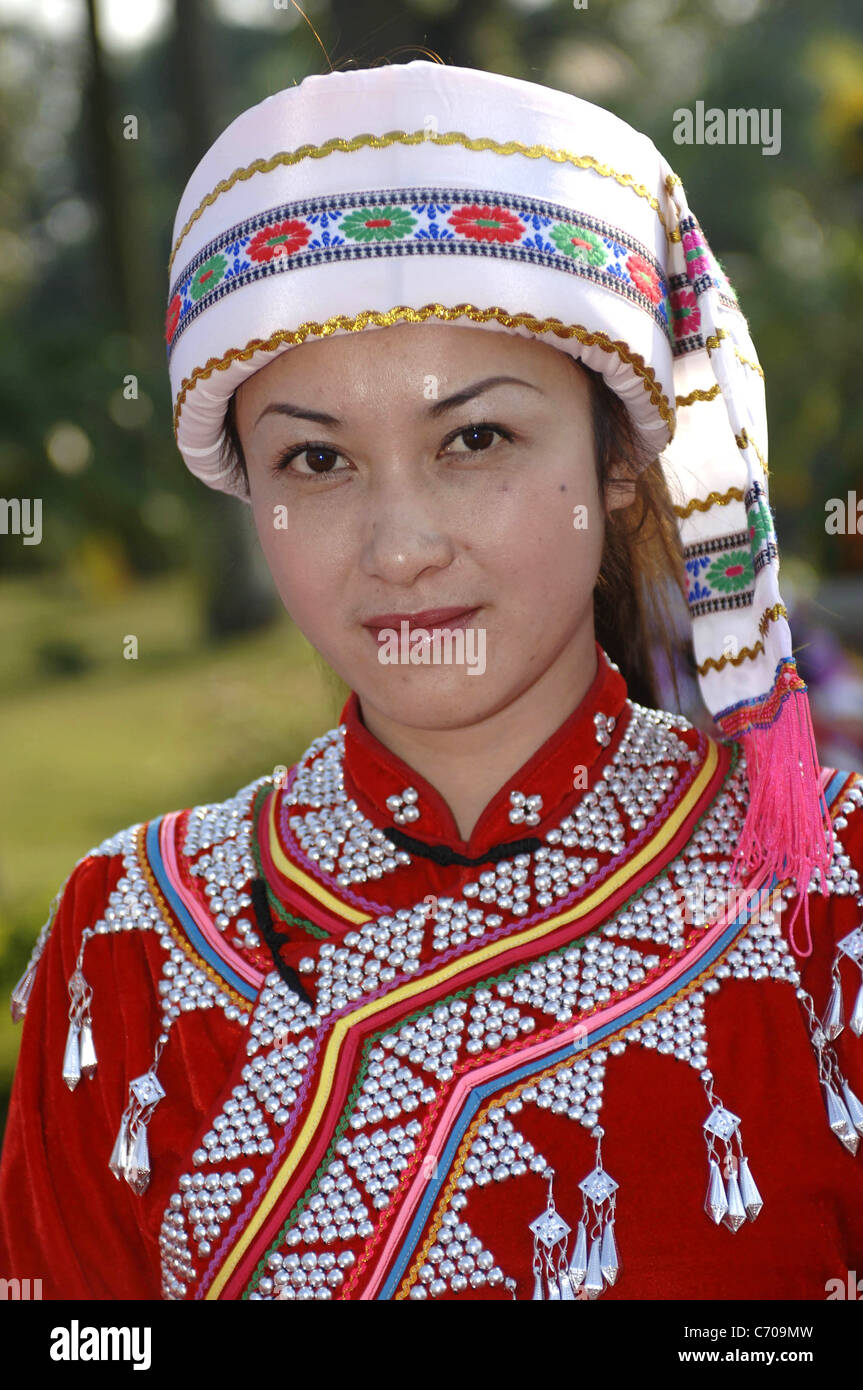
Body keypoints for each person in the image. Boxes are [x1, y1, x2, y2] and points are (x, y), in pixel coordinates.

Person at [1, 58, 862, 1303]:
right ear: (248, 490)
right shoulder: (130, 937)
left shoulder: (826, 909)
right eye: (313, 458)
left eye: (474, 438)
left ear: (620, 458)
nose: (399, 547)